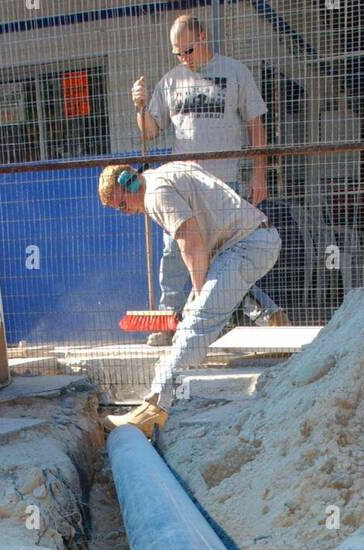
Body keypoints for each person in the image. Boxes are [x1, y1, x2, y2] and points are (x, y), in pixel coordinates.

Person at [131, 11, 285, 343]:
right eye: (177, 53)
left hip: (222, 187)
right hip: (179, 187)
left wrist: (260, 174)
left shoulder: (234, 72)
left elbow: (256, 125)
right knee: (173, 254)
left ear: (203, 38)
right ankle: (166, 322)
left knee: (225, 259)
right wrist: (140, 108)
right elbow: (151, 131)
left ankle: (262, 314)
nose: (183, 59)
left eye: (188, 50)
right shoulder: (170, 81)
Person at [98, 160, 281, 436]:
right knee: (207, 302)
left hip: (246, 245)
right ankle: (276, 322)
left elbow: (191, 242)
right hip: (249, 240)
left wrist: (199, 294)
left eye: (122, 205)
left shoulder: (155, 193)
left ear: (129, 183)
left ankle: (155, 408)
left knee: (197, 320)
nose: (126, 213)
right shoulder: (167, 172)